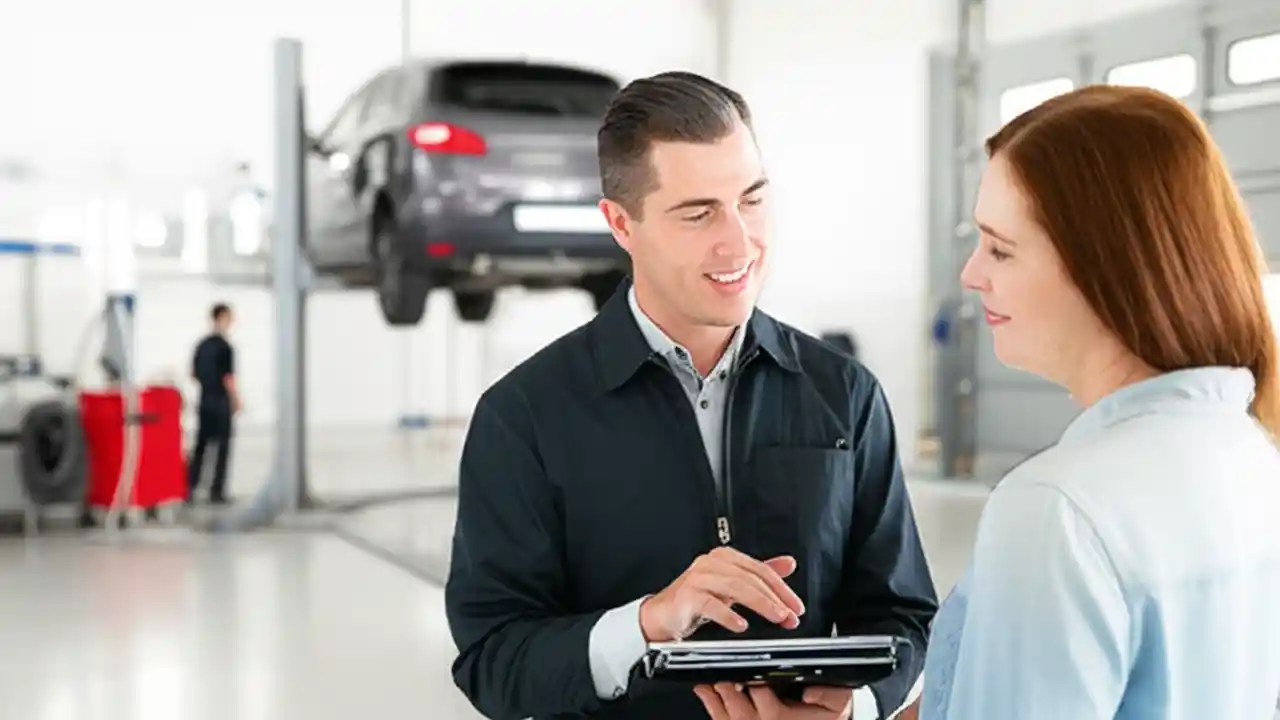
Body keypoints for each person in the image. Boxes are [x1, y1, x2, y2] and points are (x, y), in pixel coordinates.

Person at [445, 71, 937, 720]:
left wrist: (851, 710)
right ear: (621, 224)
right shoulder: (524, 416)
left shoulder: (845, 393)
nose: (739, 241)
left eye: (751, 200)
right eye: (699, 213)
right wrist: (648, 621)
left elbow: (904, 615)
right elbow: (493, 661)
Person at [920, 85, 1280, 718]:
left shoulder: (1057, 509)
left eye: (1000, 249)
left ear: (1107, 266)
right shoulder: (1253, 456)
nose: (972, 275)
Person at [188, 302, 240, 504]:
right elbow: (228, 377)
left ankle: (191, 487)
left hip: (205, 400)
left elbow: (193, 374)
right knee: (222, 447)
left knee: (201, 446)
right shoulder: (225, 347)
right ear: (221, 318)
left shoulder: (201, 345)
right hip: (220, 401)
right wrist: (235, 398)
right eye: (229, 318)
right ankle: (216, 491)